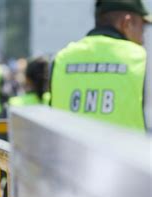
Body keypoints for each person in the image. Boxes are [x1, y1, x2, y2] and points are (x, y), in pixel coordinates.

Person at [50, 0, 151, 132]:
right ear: (126, 23)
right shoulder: (141, 59)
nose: (142, 39)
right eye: (141, 29)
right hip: (126, 152)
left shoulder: (61, 59)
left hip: (71, 152)